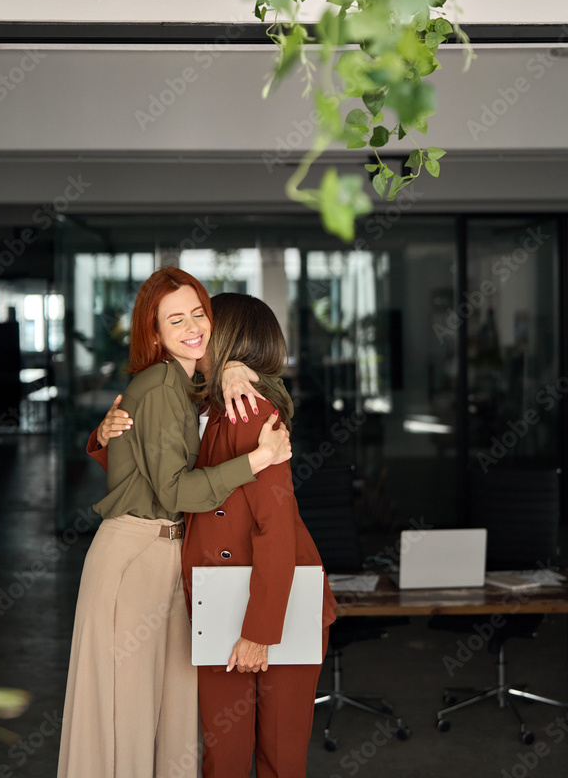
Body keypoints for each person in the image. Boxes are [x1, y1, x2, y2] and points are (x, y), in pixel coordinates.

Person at [57, 268, 291, 778]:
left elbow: (161, 460)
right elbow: (171, 487)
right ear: (155, 333)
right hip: (145, 554)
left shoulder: (207, 394)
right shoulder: (168, 388)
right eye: (175, 319)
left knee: (173, 720)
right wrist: (256, 460)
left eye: (200, 315)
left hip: (188, 565)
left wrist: (233, 370)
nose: (193, 328)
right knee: (133, 717)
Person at [95, 291, 336, 778]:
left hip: (272, 602)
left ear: (225, 338)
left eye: (204, 325)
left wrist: (259, 632)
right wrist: (106, 437)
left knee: (280, 757)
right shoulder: (195, 402)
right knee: (221, 757)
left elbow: (276, 529)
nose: (192, 334)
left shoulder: (250, 410)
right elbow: (161, 479)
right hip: (216, 599)